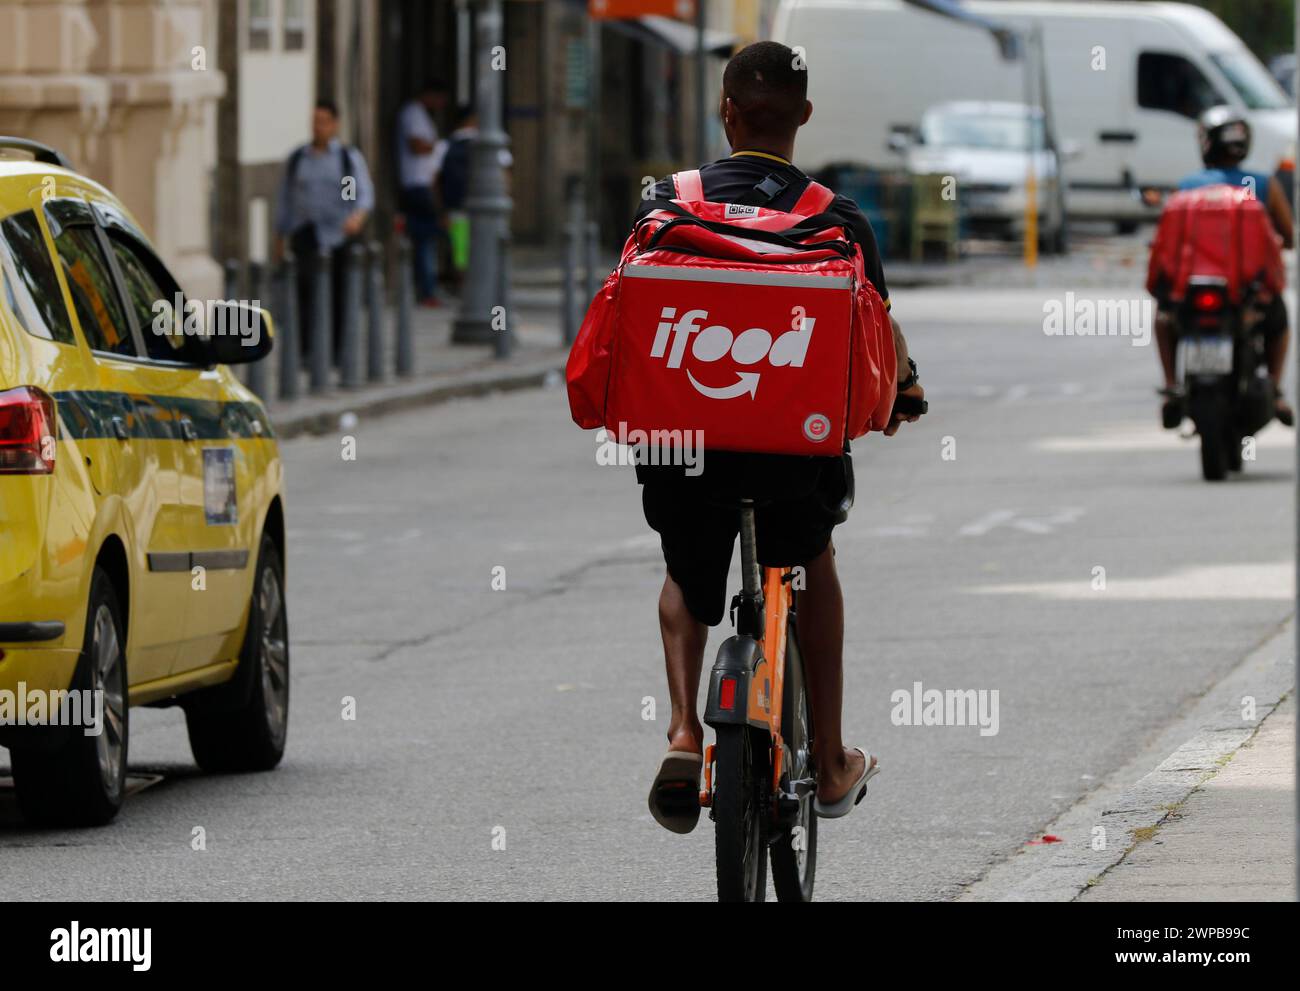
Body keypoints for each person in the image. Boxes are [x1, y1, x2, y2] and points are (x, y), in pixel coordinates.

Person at [639, 41, 924, 834]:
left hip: (683, 451)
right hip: (795, 458)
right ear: (803, 115)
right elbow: (879, 330)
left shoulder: (665, 204)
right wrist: (903, 393)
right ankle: (830, 760)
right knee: (814, 564)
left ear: (724, 111)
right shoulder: (837, 217)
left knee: (683, 576)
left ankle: (683, 731)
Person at [1155, 105, 1294, 427]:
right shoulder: (1261, 183)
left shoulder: (1187, 185)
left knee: (1163, 319)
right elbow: (1288, 237)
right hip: (1246, 294)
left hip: (1189, 292)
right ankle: (1275, 387)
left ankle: (1171, 386)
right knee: (1279, 320)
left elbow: (1166, 243)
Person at [274, 100, 375, 365]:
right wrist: (280, 235)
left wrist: (356, 217)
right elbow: (286, 198)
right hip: (305, 232)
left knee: (337, 295)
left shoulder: (344, 158)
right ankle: (307, 351)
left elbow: (360, 195)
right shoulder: (299, 159)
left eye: (323, 122)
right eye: (314, 121)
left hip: (337, 234)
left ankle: (336, 352)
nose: (318, 127)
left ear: (334, 124)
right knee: (305, 293)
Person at [439, 107, 515, 290]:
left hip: (457, 205)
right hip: (490, 209)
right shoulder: (491, 142)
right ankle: (487, 286)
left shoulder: (445, 145)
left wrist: (442, 207)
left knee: (461, 250)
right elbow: (505, 172)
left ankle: (464, 287)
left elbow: (435, 178)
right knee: (489, 246)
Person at [397, 84, 449, 306]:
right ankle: (426, 290)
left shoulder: (420, 115)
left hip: (422, 184)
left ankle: (427, 286)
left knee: (426, 237)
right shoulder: (413, 113)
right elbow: (416, 145)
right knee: (425, 237)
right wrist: (438, 146)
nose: (441, 105)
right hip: (416, 184)